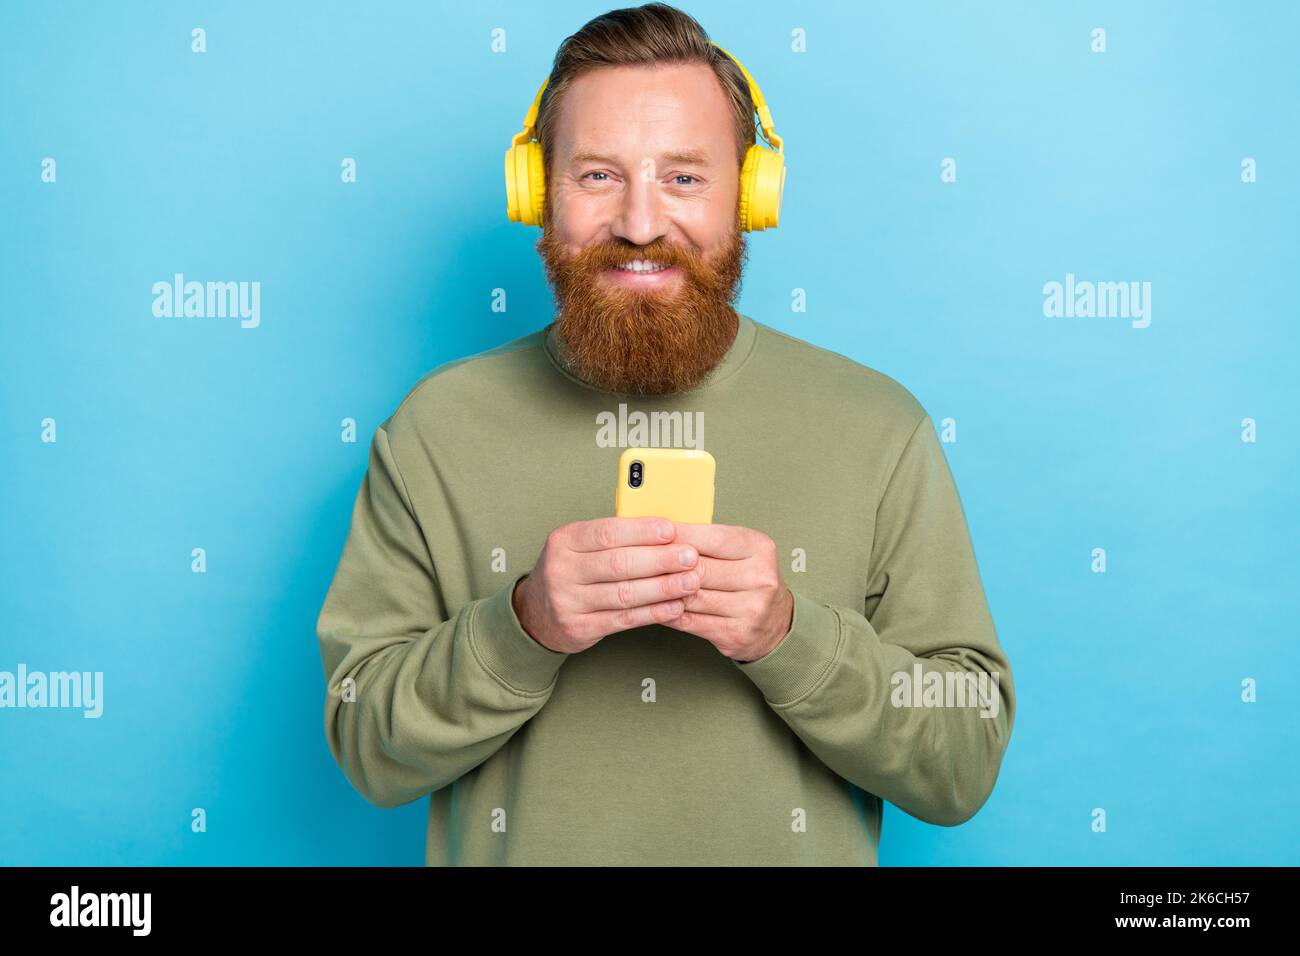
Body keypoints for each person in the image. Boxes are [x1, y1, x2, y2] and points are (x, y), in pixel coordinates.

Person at [316, 2, 1015, 866]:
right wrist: (523, 626)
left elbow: (965, 764)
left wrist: (789, 637)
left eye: (684, 178)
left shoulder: (879, 428)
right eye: (598, 176)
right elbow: (364, 745)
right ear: (537, 195)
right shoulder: (434, 429)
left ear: (751, 198)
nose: (641, 224)